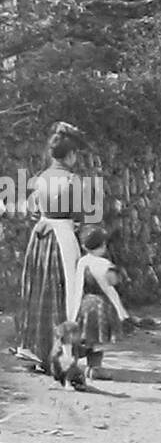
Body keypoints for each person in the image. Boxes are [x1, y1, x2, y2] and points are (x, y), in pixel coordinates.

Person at [15, 122, 89, 371]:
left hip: (40, 238)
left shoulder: (39, 179)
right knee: (64, 292)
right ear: (70, 155)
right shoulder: (72, 180)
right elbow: (80, 214)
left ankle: (35, 350)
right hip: (62, 238)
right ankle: (61, 354)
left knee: (39, 291)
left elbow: (32, 211)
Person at [69, 227, 129, 382]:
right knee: (98, 339)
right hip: (101, 305)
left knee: (86, 337)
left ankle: (72, 364)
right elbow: (111, 285)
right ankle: (94, 368)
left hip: (86, 304)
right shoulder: (104, 264)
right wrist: (120, 310)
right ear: (102, 246)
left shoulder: (82, 262)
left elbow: (78, 286)